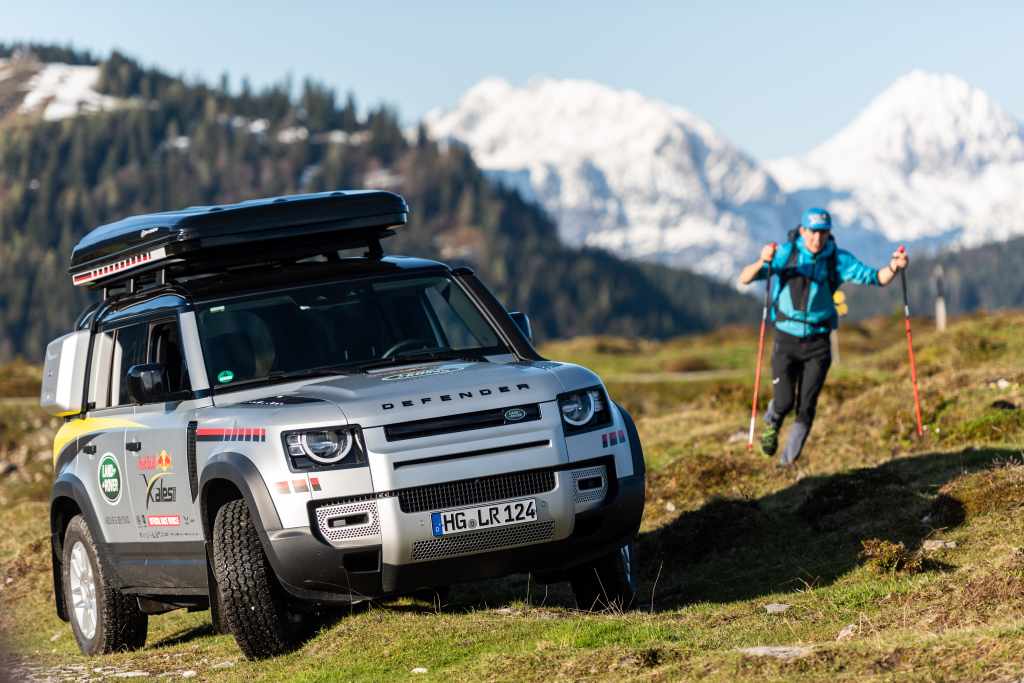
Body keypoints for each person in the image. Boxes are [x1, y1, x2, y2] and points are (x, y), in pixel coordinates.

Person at [737, 208, 909, 466]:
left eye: (823, 233)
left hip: (818, 343)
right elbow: (745, 278)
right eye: (813, 232)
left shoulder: (837, 259)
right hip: (786, 339)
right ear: (802, 231)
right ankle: (772, 422)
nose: (817, 239)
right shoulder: (786, 254)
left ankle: (787, 464)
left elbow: (876, 278)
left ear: (829, 233)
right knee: (784, 401)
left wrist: (894, 267)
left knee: (806, 406)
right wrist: (763, 261)